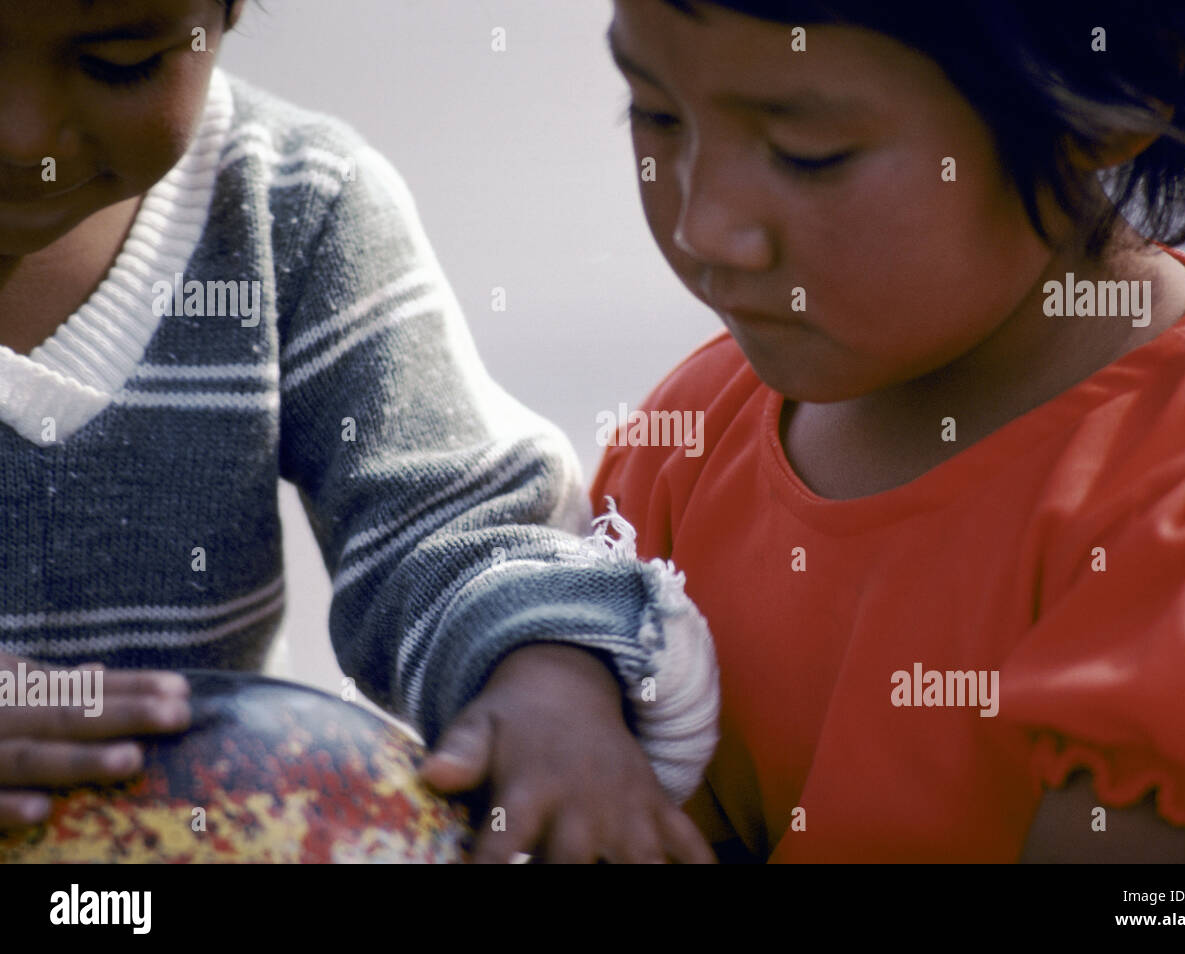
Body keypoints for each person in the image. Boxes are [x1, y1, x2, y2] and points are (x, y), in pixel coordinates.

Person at [0, 0, 719, 864]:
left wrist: (542, 674)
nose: (23, 136)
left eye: (120, 61)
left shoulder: (295, 209)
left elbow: (447, 527)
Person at [592, 0, 1185, 862]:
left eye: (809, 154)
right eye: (657, 115)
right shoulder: (693, 430)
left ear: (1113, 98)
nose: (706, 226)